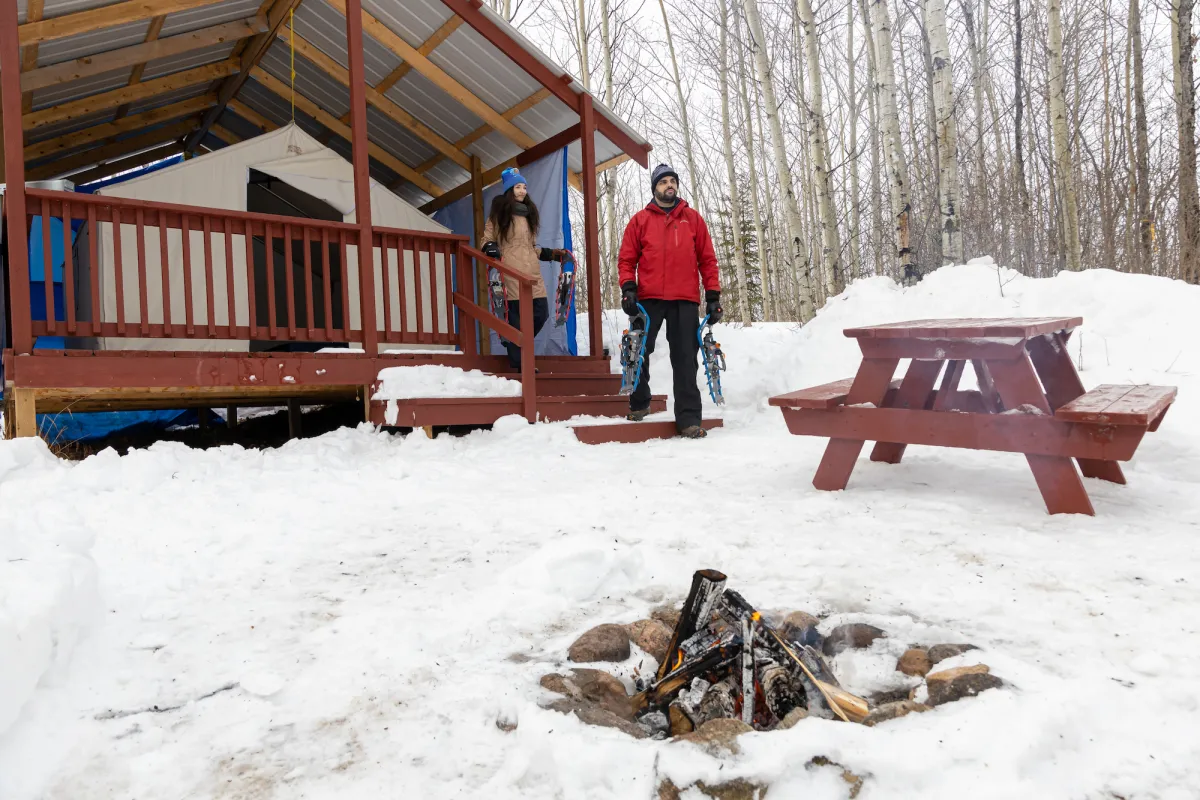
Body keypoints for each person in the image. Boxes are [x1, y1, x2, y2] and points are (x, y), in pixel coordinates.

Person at [617, 163, 722, 438]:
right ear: (655, 188)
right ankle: (640, 403)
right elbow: (626, 259)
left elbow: (708, 260)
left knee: (686, 359)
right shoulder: (640, 220)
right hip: (648, 298)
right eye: (663, 182)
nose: (669, 185)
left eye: (672, 181)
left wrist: (713, 296)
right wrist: (628, 289)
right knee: (638, 351)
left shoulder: (693, 219)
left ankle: (688, 420)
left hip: (684, 299)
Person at [481, 168, 571, 370]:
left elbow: (530, 247)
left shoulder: (529, 214)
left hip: (532, 271)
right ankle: (521, 362)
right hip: (511, 270)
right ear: (509, 189)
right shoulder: (499, 213)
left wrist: (550, 253)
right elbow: (486, 239)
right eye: (517, 187)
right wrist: (490, 247)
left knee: (541, 312)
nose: (522, 191)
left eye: (524, 187)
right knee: (516, 317)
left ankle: (514, 343)